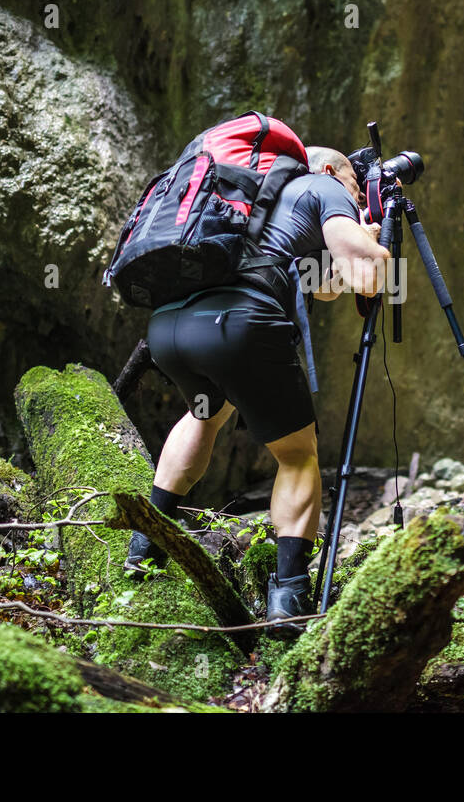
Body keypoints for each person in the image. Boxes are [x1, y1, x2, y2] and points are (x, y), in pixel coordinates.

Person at [126, 145, 391, 632]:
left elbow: (327, 285)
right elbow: (364, 275)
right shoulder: (326, 186)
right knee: (297, 455)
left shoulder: (248, 206)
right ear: (331, 171)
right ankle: (289, 600)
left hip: (170, 329)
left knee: (207, 414)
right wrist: (373, 247)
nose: (357, 197)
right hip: (238, 327)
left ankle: (144, 548)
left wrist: (355, 248)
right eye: (356, 186)